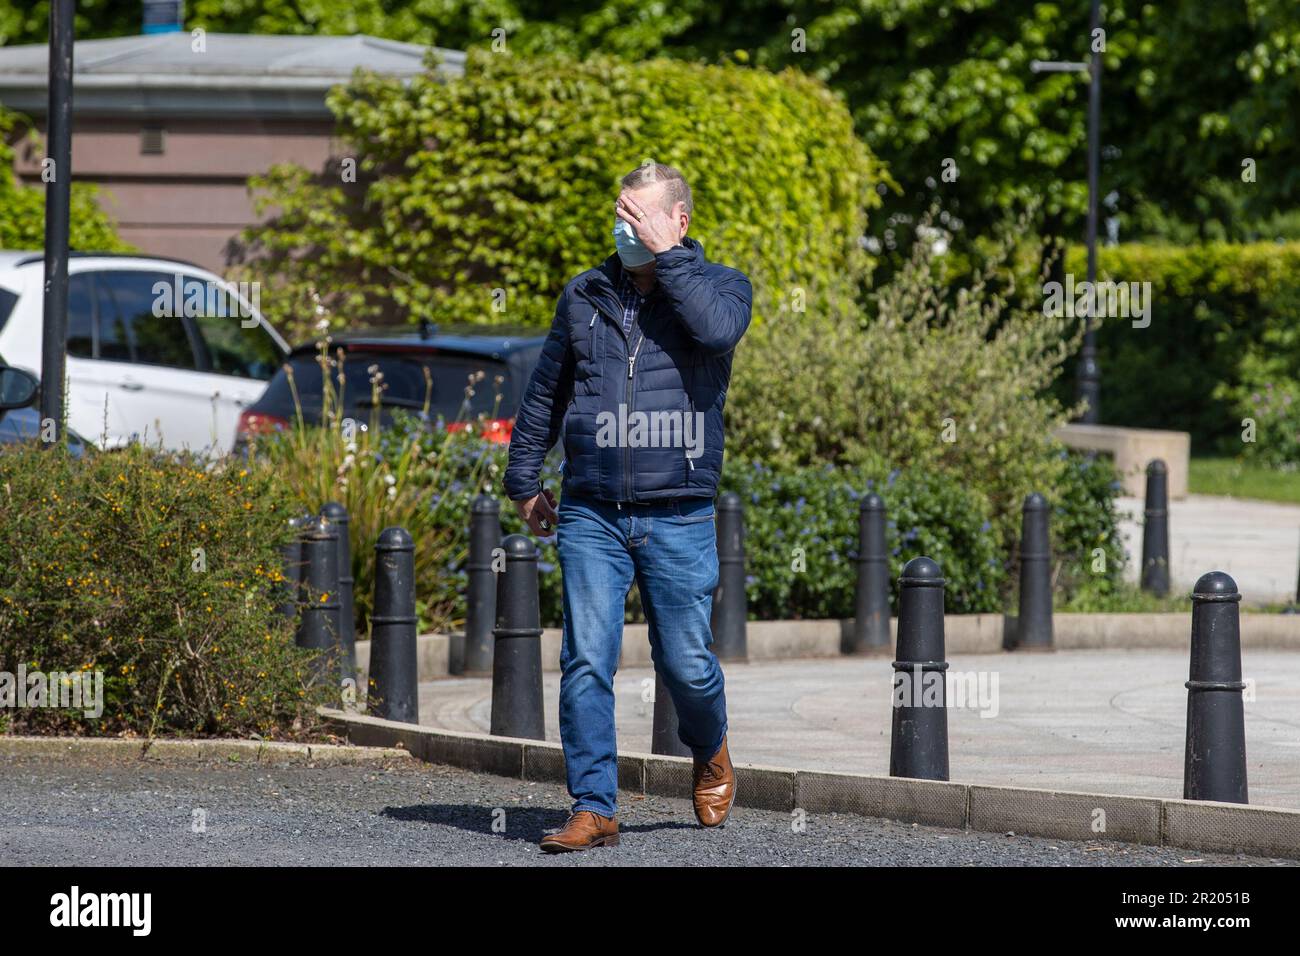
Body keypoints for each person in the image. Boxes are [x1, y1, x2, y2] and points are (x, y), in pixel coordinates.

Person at [503, 163, 753, 852]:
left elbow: (715, 332)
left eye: (641, 217)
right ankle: (594, 806)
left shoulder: (721, 288)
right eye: (620, 215)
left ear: (679, 221)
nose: (627, 229)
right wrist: (524, 477)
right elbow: (547, 390)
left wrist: (668, 261)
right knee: (586, 656)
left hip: (678, 511)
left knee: (686, 663)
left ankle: (710, 747)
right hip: (592, 510)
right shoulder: (583, 295)